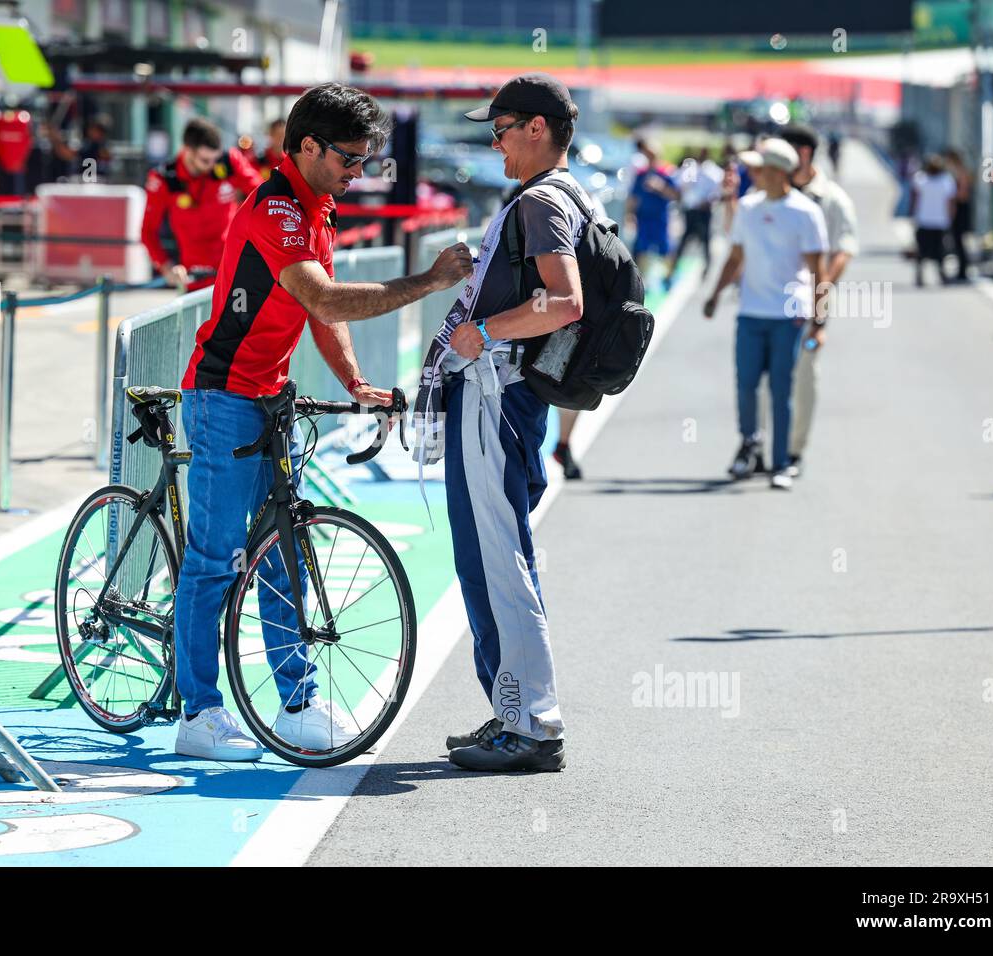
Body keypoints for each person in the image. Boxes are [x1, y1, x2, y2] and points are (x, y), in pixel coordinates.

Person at [172, 83, 473, 761]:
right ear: (307, 146)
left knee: (283, 553)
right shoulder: (276, 206)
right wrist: (425, 282)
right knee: (216, 561)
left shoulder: (319, 207)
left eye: (365, 160)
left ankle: (299, 698)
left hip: (269, 397)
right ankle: (198, 711)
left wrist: (353, 381)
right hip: (223, 396)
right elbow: (323, 293)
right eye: (349, 158)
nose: (357, 172)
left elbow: (321, 315)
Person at [416, 73, 636, 771]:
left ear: (537, 128)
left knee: (497, 558)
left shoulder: (541, 201)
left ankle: (533, 724)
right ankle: (511, 709)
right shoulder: (569, 195)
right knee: (488, 556)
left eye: (502, 128)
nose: (495, 142)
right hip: (510, 397)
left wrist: (482, 327)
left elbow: (564, 301)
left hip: (497, 395)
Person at [702, 138, 828, 491]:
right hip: (751, 313)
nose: (751, 173)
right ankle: (748, 445)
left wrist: (820, 321)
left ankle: (782, 462)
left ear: (776, 171)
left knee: (781, 388)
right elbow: (735, 256)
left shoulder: (806, 213)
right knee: (745, 384)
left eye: (758, 168)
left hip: (789, 316)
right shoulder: (748, 208)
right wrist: (715, 294)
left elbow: (819, 271)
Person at [775, 124, 859, 479]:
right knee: (765, 380)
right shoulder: (770, 194)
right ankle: (764, 448)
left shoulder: (832, 199)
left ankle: (793, 452)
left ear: (805, 153)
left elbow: (843, 252)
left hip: (809, 303)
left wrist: (818, 303)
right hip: (769, 301)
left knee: (803, 376)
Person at [141, 117, 264, 289]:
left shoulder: (229, 162)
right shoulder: (164, 179)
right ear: (188, 151)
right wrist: (166, 267)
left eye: (216, 159)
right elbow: (148, 231)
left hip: (234, 272)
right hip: (192, 279)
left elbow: (265, 198)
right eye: (206, 160)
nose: (213, 165)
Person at [626, 138, 679, 290]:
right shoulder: (641, 174)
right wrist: (630, 215)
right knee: (642, 249)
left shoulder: (665, 173)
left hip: (660, 218)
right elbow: (633, 197)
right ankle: (641, 282)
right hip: (644, 218)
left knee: (665, 249)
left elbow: (676, 195)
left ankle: (668, 277)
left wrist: (661, 188)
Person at [665, 147, 724, 282]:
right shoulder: (691, 169)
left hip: (704, 212)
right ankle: (671, 270)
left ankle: (707, 272)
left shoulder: (713, 171)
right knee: (683, 242)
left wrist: (709, 201)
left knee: (706, 242)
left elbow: (717, 191)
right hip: (691, 211)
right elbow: (680, 184)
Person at [910, 153, 956, 287]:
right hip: (938, 220)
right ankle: (938, 274)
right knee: (938, 250)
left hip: (926, 219)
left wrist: (913, 214)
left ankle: (924, 274)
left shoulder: (921, 179)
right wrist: (950, 217)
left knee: (925, 250)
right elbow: (950, 202)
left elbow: (915, 199)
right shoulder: (945, 181)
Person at [46, 112, 113, 181]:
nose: (90, 129)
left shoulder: (97, 146)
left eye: (96, 129)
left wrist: (55, 139)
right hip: (87, 184)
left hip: (94, 184)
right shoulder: (91, 144)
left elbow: (67, 155)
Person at [945, 148, 973, 282]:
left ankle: (963, 270)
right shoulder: (954, 173)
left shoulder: (961, 173)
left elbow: (963, 195)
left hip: (960, 210)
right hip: (957, 209)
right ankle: (961, 269)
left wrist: (950, 197)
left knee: (959, 241)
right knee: (956, 241)